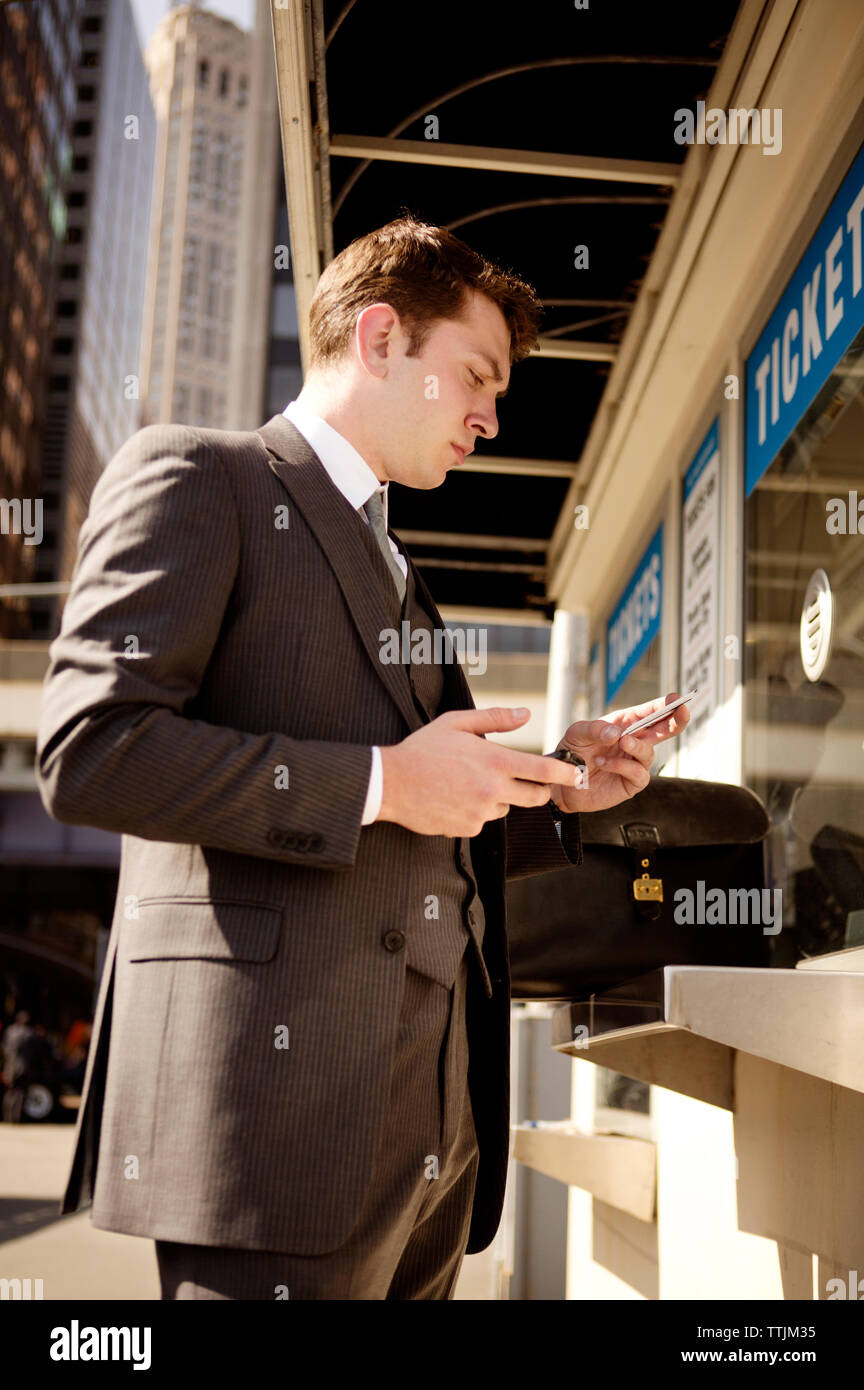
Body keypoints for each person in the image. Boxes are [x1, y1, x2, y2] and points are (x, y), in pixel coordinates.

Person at [35, 213, 688, 1299]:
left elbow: (429, 825)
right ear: (380, 336)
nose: (487, 417)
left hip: (432, 1125)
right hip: (275, 1126)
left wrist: (562, 788)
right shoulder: (200, 476)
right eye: (475, 376)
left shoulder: (399, 570)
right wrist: (385, 780)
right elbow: (91, 747)